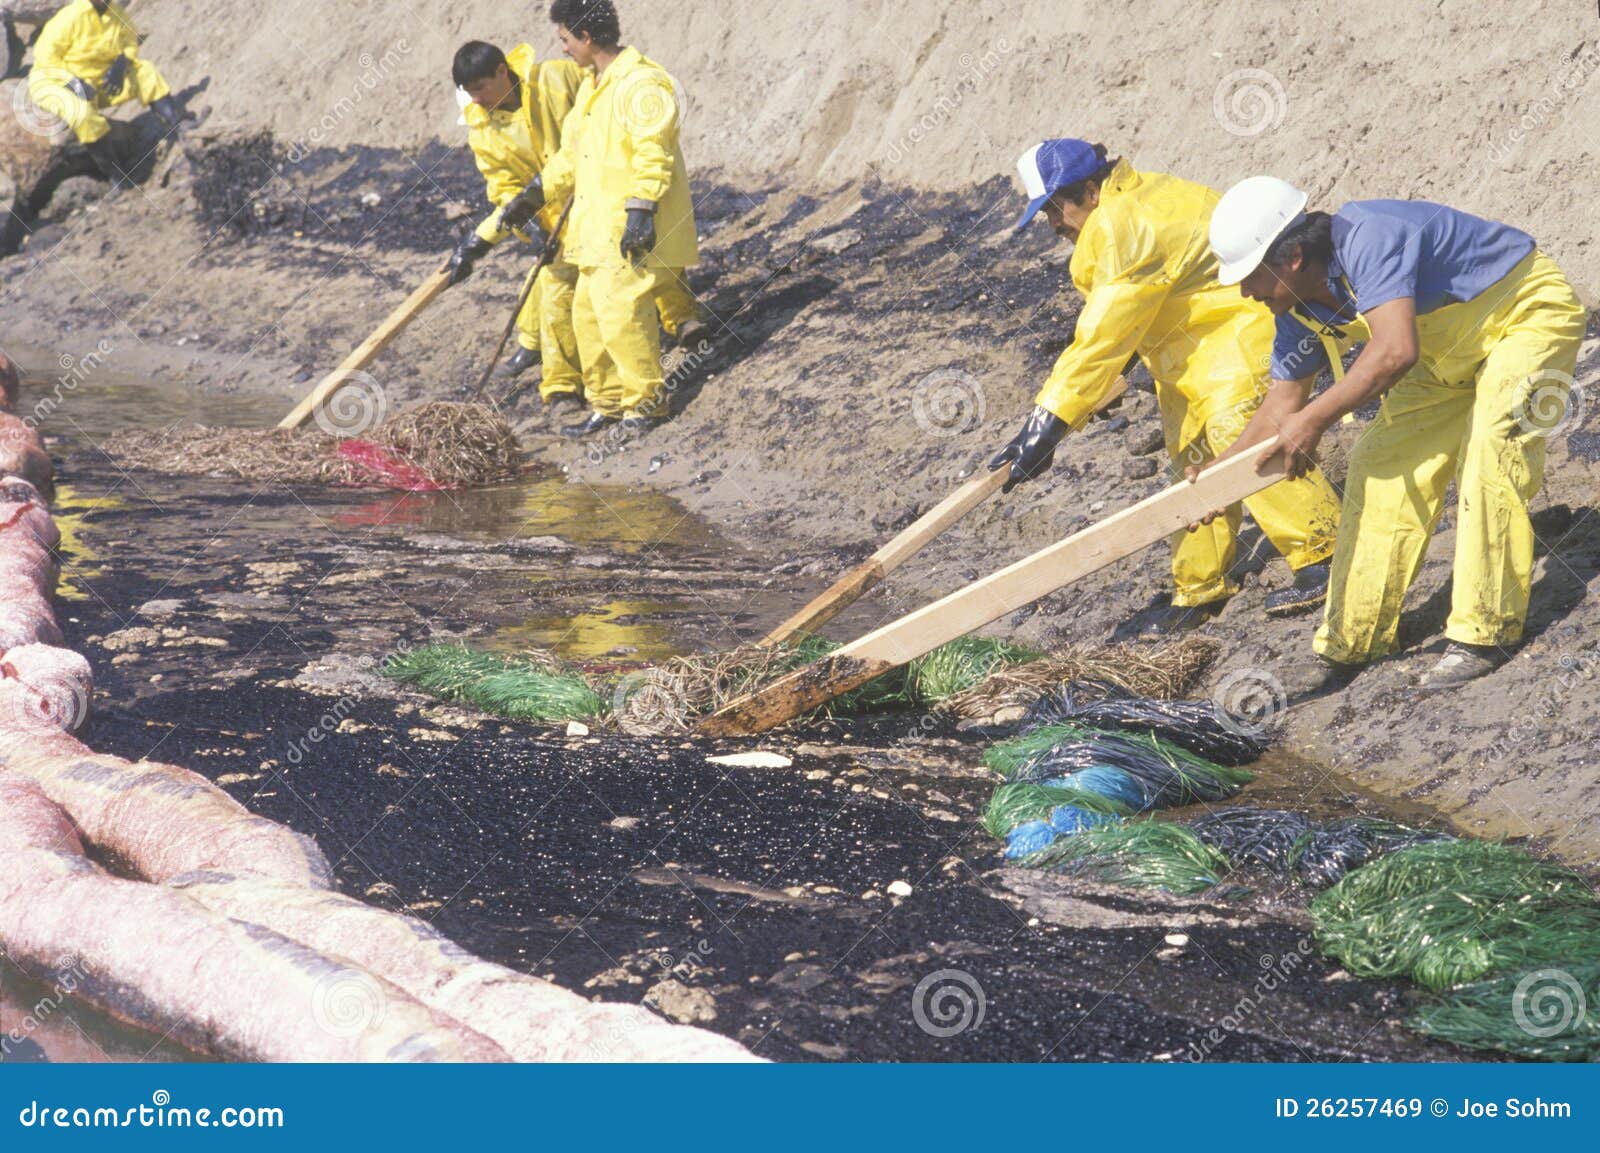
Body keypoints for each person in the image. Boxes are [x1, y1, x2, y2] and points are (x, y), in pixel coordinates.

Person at [1204, 178, 1587, 690]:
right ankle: (1352, 641)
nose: (1247, 293)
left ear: (1292, 256)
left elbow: (1394, 352)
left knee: (1492, 453)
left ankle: (1484, 631)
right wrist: (1213, 480)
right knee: (1377, 467)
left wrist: (1313, 422)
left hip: (1524, 318)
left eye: (1251, 277)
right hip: (1440, 360)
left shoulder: (1369, 236)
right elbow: (1281, 406)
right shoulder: (1297, 305)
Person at [991, 139, 1342, 633]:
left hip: (1240, 322)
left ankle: (1322, 552)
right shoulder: (1124, 209)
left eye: (1054, 209)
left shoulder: (1120, 223)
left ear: (1090, 191)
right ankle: (1199, 587)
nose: (1053, 225)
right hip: (1189, 345)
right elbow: (1135, 308)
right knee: (1191, 460)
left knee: (1237, 431)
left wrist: (1050, 420)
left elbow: (1104, 331)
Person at [498, 0, 703, 438]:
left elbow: (654, 150)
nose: (565, 49)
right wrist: (532, 196)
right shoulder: (593, 88)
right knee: (589, 317)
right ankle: (608, 403)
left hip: (624, 227)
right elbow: (569, 158)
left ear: (586, 37)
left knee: (621, 315)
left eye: (566, 39)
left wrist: (642, 210)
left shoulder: (642, 83)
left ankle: (644, 405)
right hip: (593, 229)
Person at [449, 40, 586, 409]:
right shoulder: (484, 130)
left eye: (480, 88)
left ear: (501, 71)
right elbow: (504, 189)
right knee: (555, 289)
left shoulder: (554, 79)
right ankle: (559, 384)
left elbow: (597, 102)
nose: (475, 100)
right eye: (468, 93)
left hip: (595, 196)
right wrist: (526, 225)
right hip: (552, 214)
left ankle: (679, 320)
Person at [27, 0, 184, 190]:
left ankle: (179, 126)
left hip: (96, 81)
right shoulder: (69, 18)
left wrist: (122, 63)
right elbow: (46, 59)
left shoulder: (116, 13)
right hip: (55, 83)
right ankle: (116, 176)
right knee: (82, 114)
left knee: (145, 71)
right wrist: (75, 84)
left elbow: (130, 40)